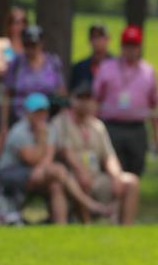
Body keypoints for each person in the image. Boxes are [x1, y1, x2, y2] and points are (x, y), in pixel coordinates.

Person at [0, 93, 111, 223]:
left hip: (38, 172)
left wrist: (42, 168)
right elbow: (31, 159)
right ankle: (89, 204)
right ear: (28, 113)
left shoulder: (49, 129)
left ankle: (60, 228)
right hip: (11, 172)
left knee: (56, 185)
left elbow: (48, 157)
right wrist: (41, 139)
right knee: (58, 170)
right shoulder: (19, 132)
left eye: (43, 112)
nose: (41, 116)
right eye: (37, 112)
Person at [51, 83, 139, 224]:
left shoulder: (97, 126)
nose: (85, 103)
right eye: (81, 98)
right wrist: (81, 171)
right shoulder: (61, 123)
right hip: (72, 177)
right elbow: (66, 152)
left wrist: (115, 176)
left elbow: (109, 155)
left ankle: (126, 229)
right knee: (81, 181)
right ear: (72, 100)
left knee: (131, 182)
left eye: (88, 98)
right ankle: (87, 225)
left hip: (97, 176)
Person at [93, 25, 158, 177]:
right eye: (127, 45)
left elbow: (154, 104)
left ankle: (131, 199)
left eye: (134, 46)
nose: (131, 50)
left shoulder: (148, 71)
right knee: (113, 171)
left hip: (137, 128)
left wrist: (155, 135)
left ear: (139, 47)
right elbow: (96, 100)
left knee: (136, 170)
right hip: (111, 126)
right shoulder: (107, 68)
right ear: (122, 46)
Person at [2, 25, 66, 134]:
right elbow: (7, 95)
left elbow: (62, 93)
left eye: (33, 45)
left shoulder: (53, 63)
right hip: (20, 120)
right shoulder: (17, 63)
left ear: (41, 43)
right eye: (27, 45)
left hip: (47, 120)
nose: (30, 49)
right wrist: (3, 126)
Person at [69, 23, 112, 92]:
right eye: (94, 37)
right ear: (89, 40)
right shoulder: (79, 68)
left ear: (107, 39)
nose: (97, 40)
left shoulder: (116, 66)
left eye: (100, 36)